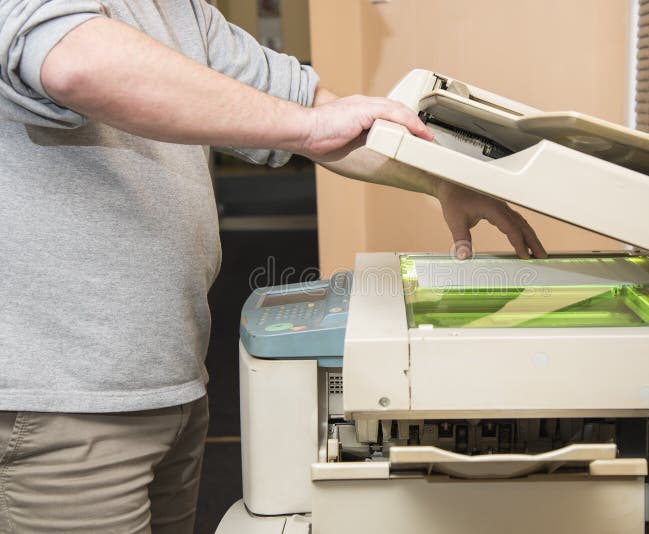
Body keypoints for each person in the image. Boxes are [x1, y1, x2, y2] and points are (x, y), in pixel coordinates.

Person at [0, 1, 545, 532]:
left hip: (168, 380)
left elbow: (313, 108)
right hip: (62, 397)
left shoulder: (184, 12)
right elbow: (76, 63)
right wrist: (305, 125)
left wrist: (439, 182)